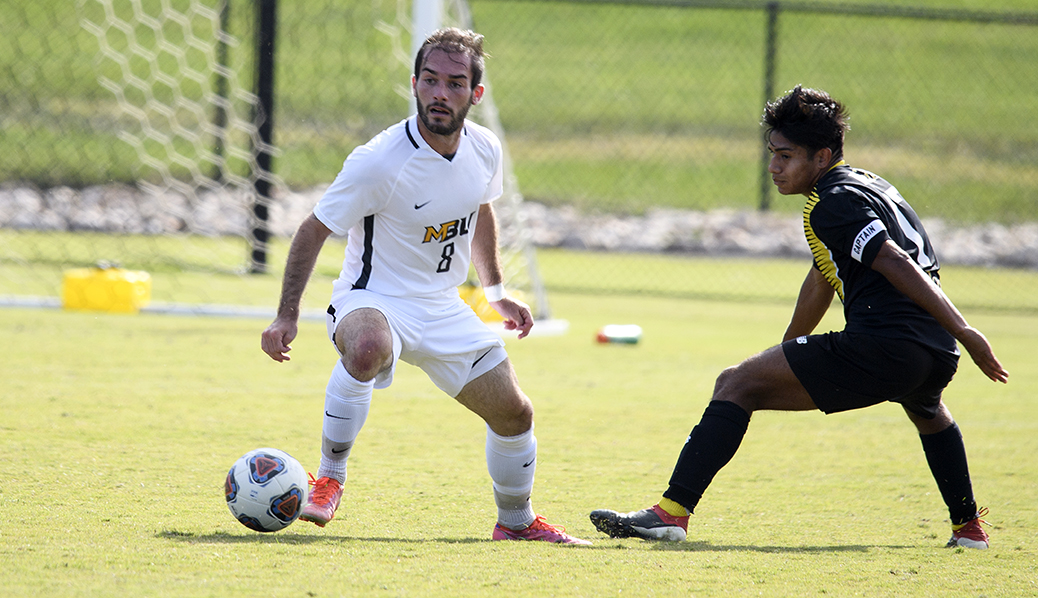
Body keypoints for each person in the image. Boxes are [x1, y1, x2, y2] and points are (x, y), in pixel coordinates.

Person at [589, 85, 1008, 549]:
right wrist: (786, 352)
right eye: (772, 153)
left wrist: (967, 330)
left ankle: (670, 515)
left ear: (822, 155)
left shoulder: (833, 202)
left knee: (735, 383)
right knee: (928, 411)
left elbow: (894, 261)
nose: (773, 167)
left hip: (887, 344)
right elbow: (822, 278)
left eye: (785, 156)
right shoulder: (868, 185)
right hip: (930, 351)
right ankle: (968, 528)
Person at [261, 27, 589, 545]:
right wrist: (286, 314)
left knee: (515, 412)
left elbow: (480, 209)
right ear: (414, 85)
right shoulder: (378, 161)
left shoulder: (484, 148)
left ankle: (517, 521)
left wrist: (496, 289)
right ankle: (329, 477)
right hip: (372, 298)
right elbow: (313, 229)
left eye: (455, 83)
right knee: (368, 348)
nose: (441, 93)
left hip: (443, 306)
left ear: (475, 94)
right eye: (431, 81)